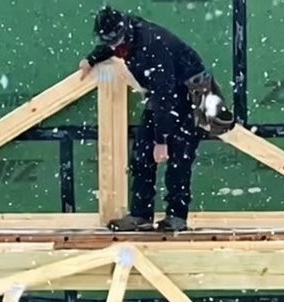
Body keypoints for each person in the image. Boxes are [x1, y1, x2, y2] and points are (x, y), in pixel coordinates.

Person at [78, 7, 233, 233]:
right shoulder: (127, 33)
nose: (113, 48)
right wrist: (91, 58)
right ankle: (141, 215)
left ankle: (176, 217)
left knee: (179, 156)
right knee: (142, 155)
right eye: (109, 43)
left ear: (125, 32)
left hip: (188, 94)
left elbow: (165, 96)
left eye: (116, 43)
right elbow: (110, 48)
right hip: (164, 95)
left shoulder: (152, 47)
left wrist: (161, 141)